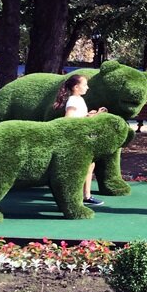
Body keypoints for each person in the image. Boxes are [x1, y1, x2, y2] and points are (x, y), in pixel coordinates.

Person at [54, 74, 108, 207]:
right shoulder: (73, 100)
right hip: (76, 139)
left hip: (82, 138)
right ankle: (82, 196)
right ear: (76, 87)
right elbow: (68, 119)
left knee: (90, 165)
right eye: (85, 85)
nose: (87, 87)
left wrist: (92, 115)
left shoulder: (78, 99)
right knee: (85, 166)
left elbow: (79, 117)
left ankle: (86, 195)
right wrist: (87, 119)